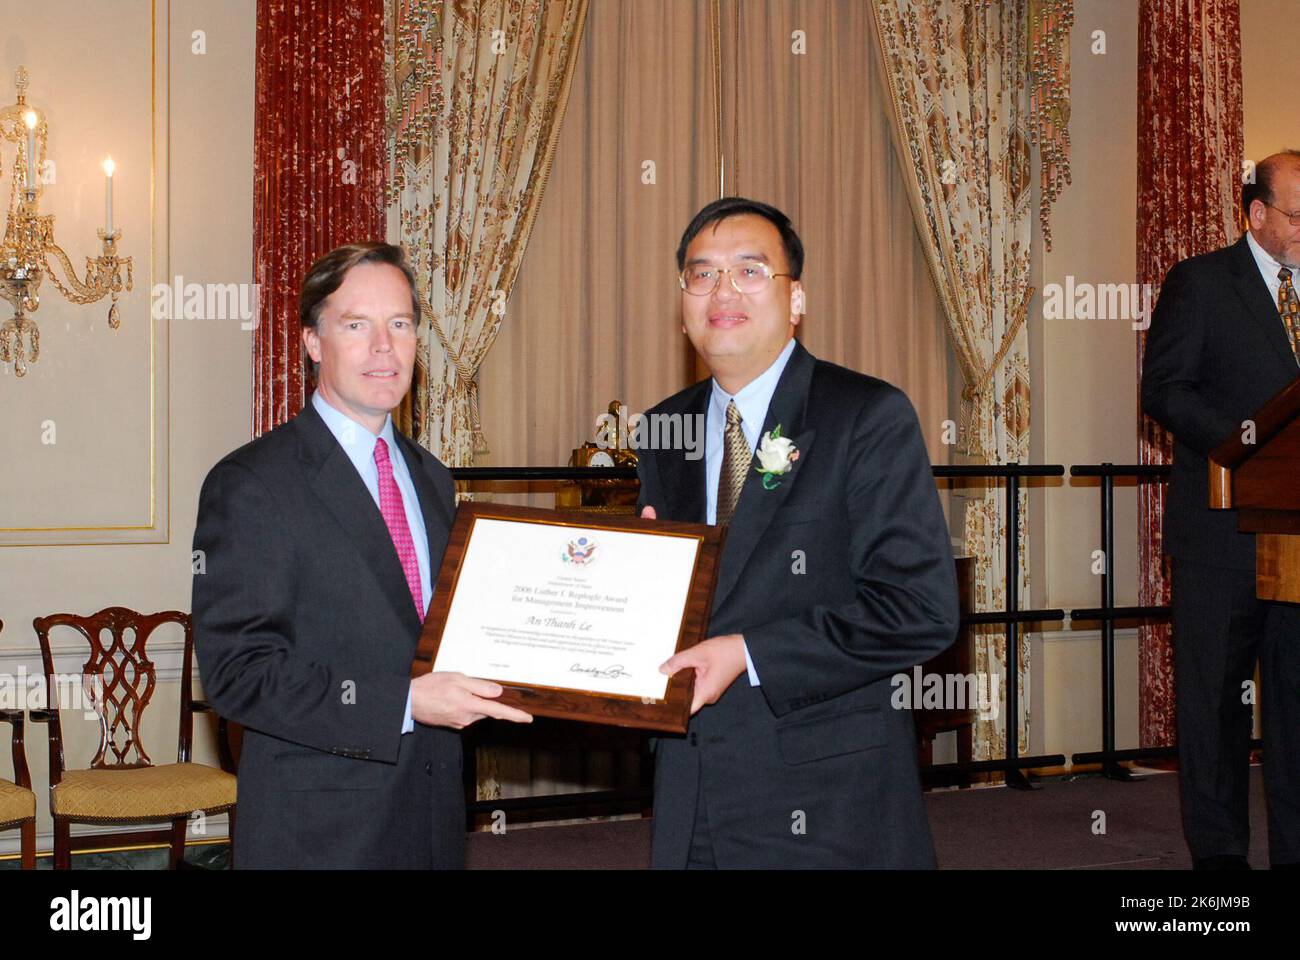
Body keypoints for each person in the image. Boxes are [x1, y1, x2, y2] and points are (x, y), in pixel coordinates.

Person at [636, 197, 959, 868]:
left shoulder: (864, 415)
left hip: (824, 795)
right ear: (684, 301)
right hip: (690, 789)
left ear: (796, 298)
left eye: (750, 271)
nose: (722, 291)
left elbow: (919, 612)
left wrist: (749, 654)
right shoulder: (665, 432)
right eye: (702, 275)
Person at [192, 241, 530, 869]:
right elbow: (239, 674)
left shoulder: (432, 479)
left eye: (399, 324)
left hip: (431, 815)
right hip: (319, 832)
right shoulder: (252, 483)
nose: (384, 346)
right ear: (313, 342)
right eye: (357, 324)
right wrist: (405, 703)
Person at [1142, 151, 1300, 870]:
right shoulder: (1202, 283)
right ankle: (1222, 870)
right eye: (1296, 216)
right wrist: (1244, 442)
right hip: (1220, 537)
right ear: (1256, 212)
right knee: (1214, 713)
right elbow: (1166, 391)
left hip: (1296, 542)